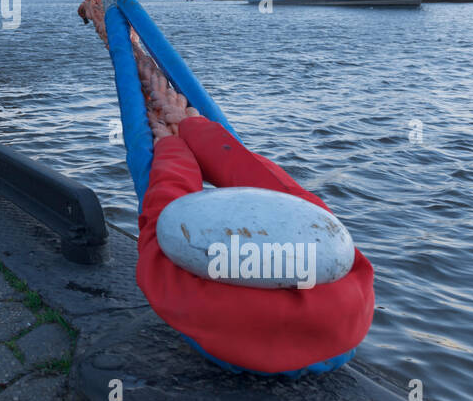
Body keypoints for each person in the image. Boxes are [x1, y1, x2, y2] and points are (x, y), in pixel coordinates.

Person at [136, 106, 375, 374]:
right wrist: (196, 128)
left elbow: (162, 220)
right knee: (288, 199)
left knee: (169, 225)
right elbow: (274, 185)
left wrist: (170, 146)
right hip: (345, 332)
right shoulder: (351, 282)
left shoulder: (192, 297)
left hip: (232, 347)